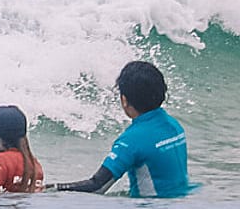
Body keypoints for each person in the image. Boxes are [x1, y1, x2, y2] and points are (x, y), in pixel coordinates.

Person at [53, 61, 190, 197]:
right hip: (177, 207)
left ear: (124, 100)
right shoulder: (174, 125)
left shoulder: (131, 140)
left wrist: (51, 188)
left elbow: (97, 186)